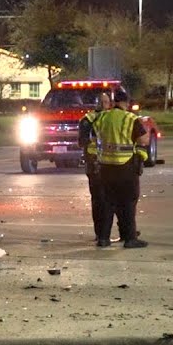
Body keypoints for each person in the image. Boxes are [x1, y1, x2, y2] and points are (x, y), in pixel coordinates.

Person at [93, 89, 149, 248]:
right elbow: (143, 138)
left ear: (113, 102)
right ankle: (130, 238)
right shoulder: (130, 118)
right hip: (125, 167)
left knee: (108, 203)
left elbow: (94, 134)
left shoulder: (103, 117)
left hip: (105, 167)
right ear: (126, 103)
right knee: (128, 203)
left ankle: (103, 238)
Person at [78, 92, 112, 245]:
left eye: (106, 101)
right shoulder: (91, 120)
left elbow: (81, 142)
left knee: (100, 200)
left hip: (99, 163)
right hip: (99, 163)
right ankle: (103, 234)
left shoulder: (88, 119)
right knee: (104, 200)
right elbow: (83, 141)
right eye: (103, 102)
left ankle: (102, 234)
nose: (105, 104)